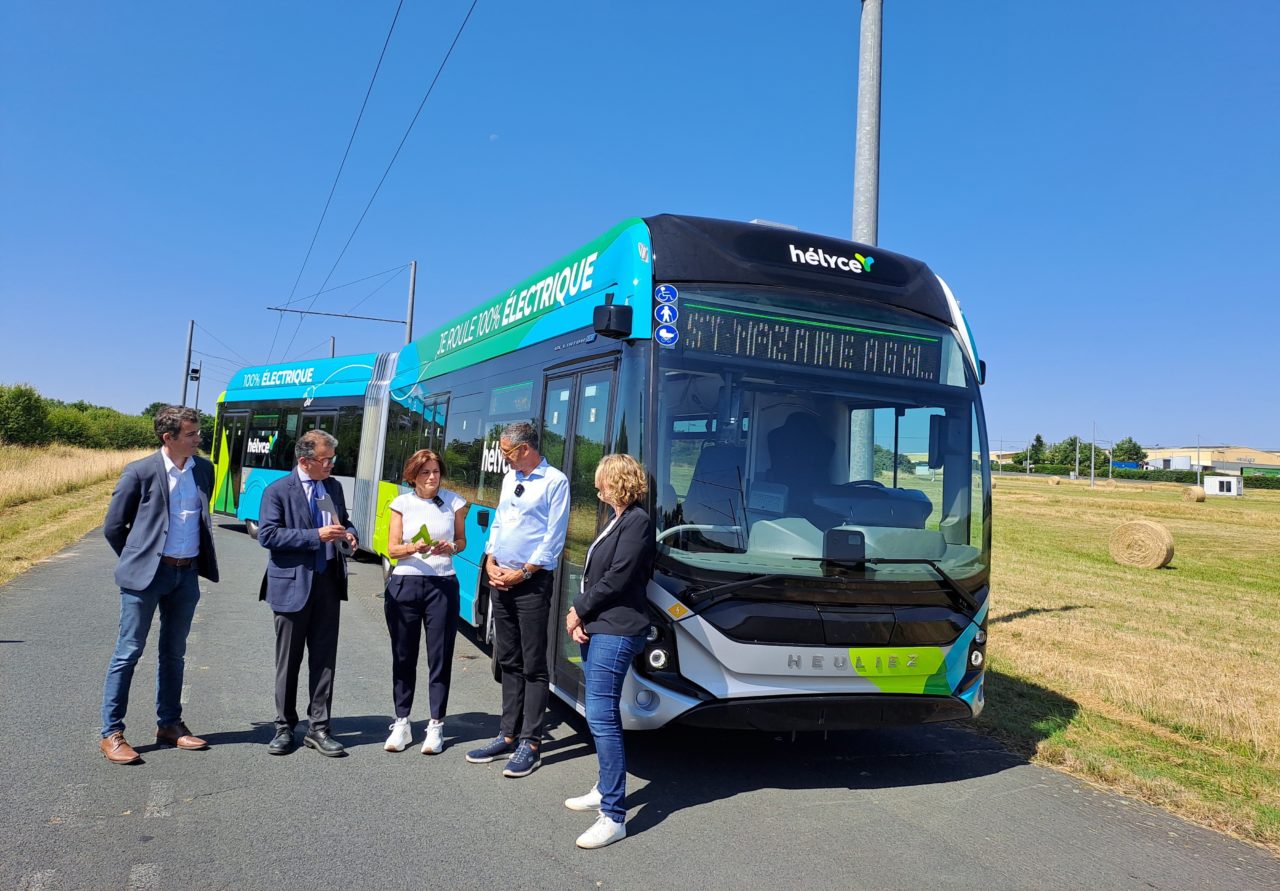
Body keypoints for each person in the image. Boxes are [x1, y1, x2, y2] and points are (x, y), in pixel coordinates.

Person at [99, 405, 220, 764]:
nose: (199, 439)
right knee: (128, 652)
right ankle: (111, 733)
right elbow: (113, 527)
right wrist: (139, 560)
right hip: (147, 577)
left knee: (174, 652)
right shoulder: (139, 472)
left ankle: (169, 724)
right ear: (169, 438)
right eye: (192, 434)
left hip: (186, 575)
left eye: (198, 433)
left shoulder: (204, 470)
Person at [465, 421, 569, 778]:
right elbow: (499, 524)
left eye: (507, 452)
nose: (504, 458)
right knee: (507, 658)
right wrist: (491, 560)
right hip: (501, 577)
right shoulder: (510, 479)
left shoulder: (555, 482)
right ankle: (507, 734)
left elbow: (553, 538)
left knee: (533, 663)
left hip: (531, 582)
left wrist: (523, 572)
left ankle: (531, 741)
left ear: (524, 449)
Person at [563, 453, 655, 849]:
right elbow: (595, 575)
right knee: (598, 713)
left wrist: (578, 610)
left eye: (602, 480)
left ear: (618, 481)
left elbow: (618, 578)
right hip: (601, 626)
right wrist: (584, 619)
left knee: (602, 716)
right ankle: (605, 788)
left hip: (618, 630)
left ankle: (614, 815)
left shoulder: (638, 522)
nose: (596, 487)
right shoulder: (616, 519)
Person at [258, 429, 359, 758]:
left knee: (324, 660)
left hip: (328, 583)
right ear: (305, 461)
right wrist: (316, 535)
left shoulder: (333, 486)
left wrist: (350, 534)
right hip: (292, 585)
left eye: (332, 459)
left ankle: (319, 727)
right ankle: (284, 726)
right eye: (326, 460)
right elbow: (269, 536)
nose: (331, 465)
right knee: (289, 660)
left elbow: (343, 521)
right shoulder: (277, 491)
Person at [382, 449, 469, 754]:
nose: (432, 478)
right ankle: (402, 722)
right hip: (405, 583)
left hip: (442, 585)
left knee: (440, 657)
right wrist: (412, 547)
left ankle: (436, 725)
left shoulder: (454, 502)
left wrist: (451, 546)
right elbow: (391, 548)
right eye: (425, 473)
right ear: (413, 476)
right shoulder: (401, 503)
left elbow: (462, 540)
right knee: (403, 656)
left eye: (436, 472)